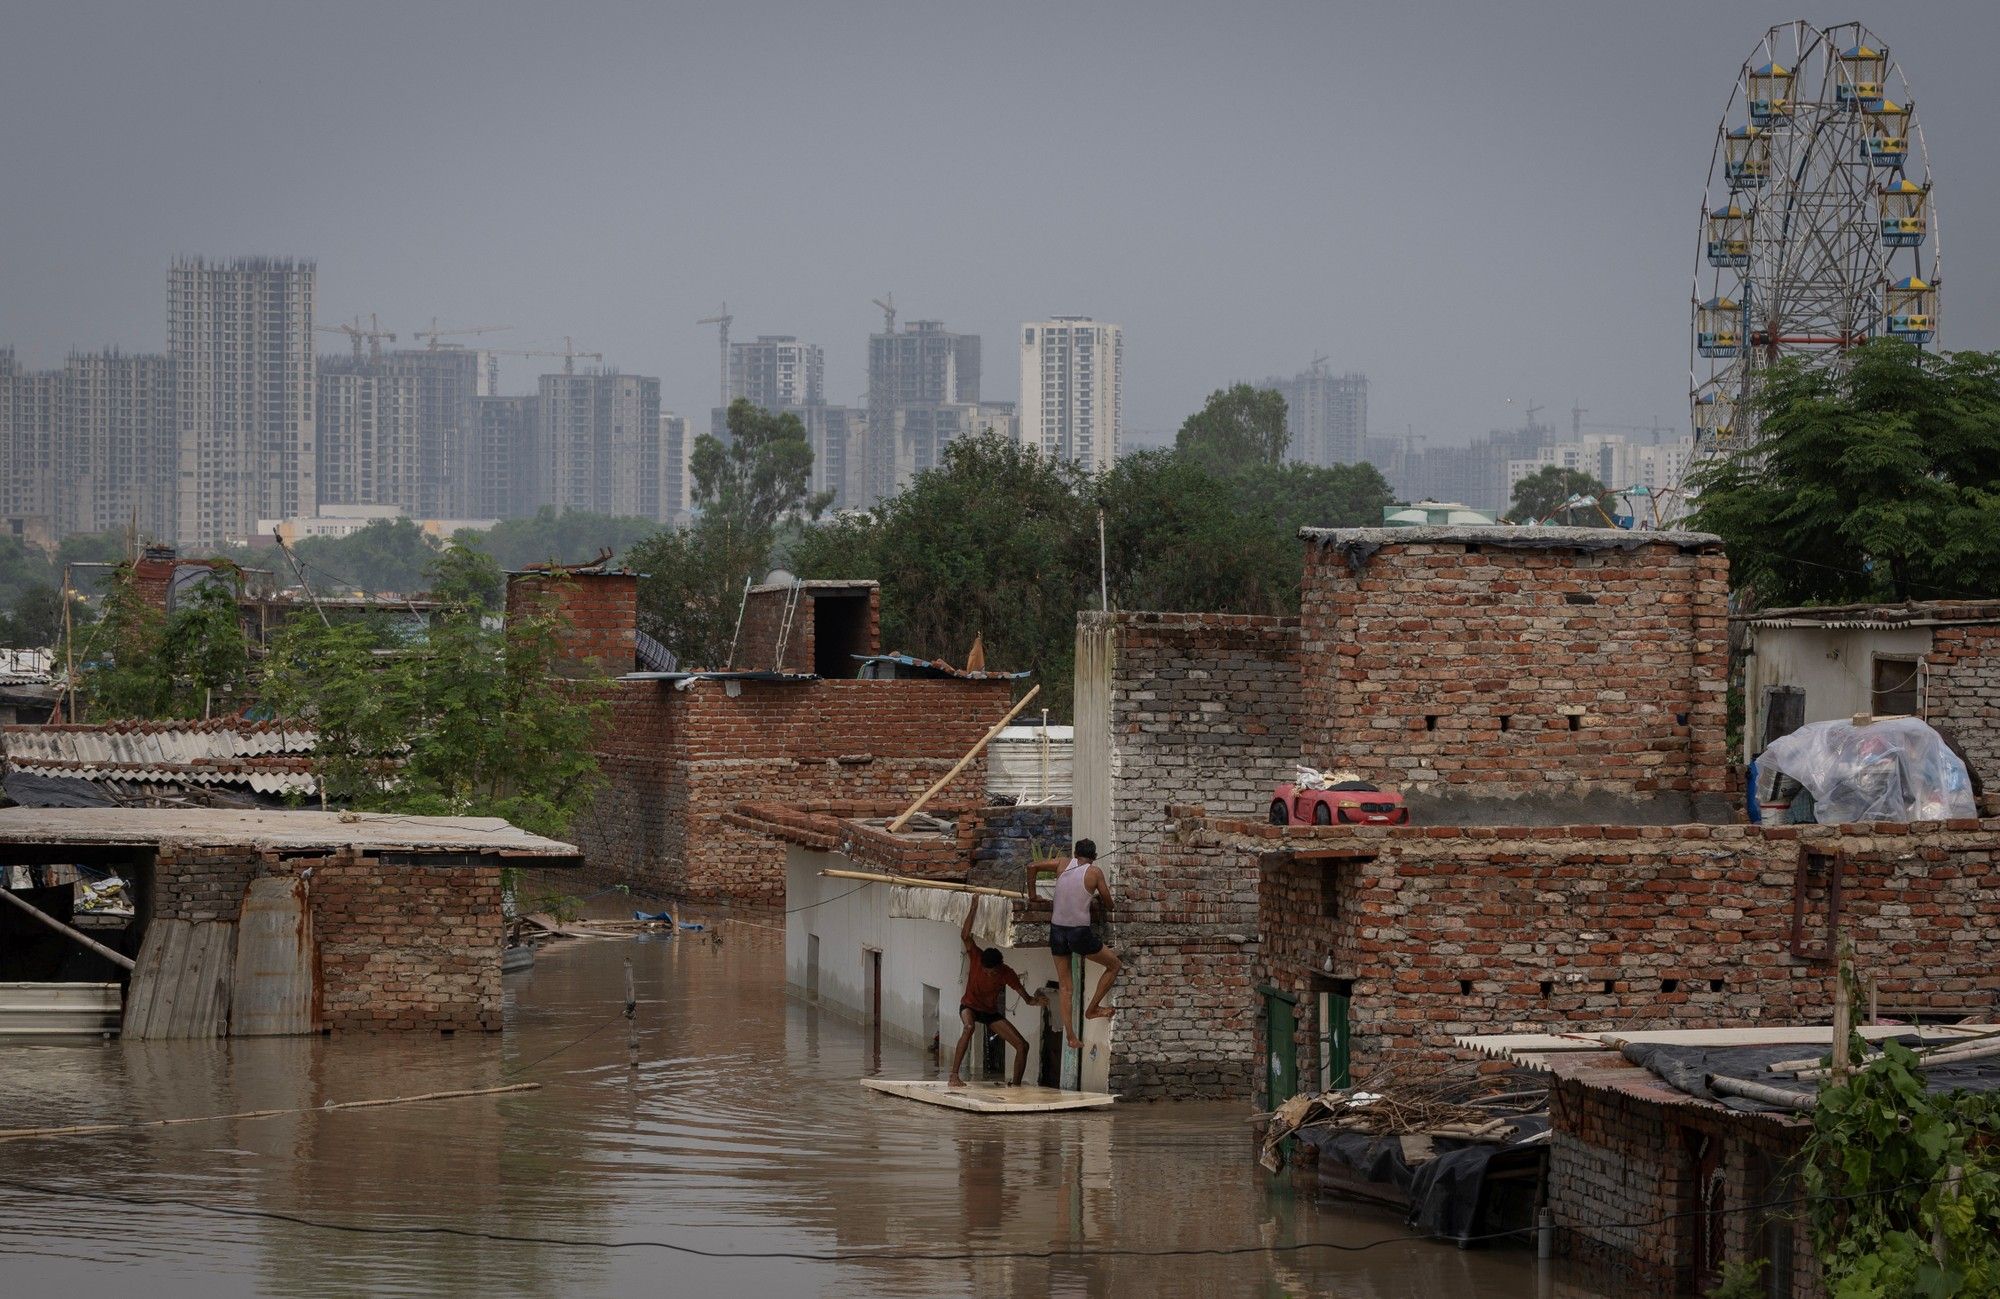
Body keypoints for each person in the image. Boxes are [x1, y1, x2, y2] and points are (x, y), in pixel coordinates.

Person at [950, 897, 1043, 1088]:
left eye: (992, 972)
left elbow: (1025, 997)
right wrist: (974, 906)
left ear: (999, 967)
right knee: (968, 1028)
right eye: (986, 971)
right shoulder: (977, 956)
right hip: (969, 1005)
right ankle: (953, 1076)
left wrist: (1035, 1000)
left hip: (990, 1012)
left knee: (1022, 1045)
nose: (988, 974)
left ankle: (1016, 1086)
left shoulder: (1007, 973)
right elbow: (965, 936)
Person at [1048, 838, 1121, 1050]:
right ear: (1095, 856)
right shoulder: (1095, 872)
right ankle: (1093, 1009)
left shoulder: (1062, 863)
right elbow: (1109, 903)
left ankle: (1071, 1036)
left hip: (1056, 930)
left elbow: (1032, 866)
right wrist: (1096, 895)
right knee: (1114, 965)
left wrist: (1034, 896)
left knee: (1065, 987)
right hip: (1078, 933)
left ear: (1075, 853)